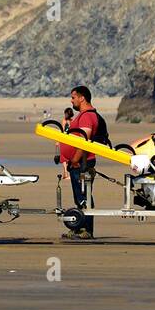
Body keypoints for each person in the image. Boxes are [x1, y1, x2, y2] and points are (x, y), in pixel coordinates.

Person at [58, 86, 107, 241]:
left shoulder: (87, 116)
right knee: (79, 195)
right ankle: (79, 228)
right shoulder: (83, 115)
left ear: (82, 98)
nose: (71, 101)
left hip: (82, 163)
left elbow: (83, 141)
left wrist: (75, 159)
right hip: (79, 163)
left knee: (84, 196)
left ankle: (86, 229)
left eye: (73, 97)